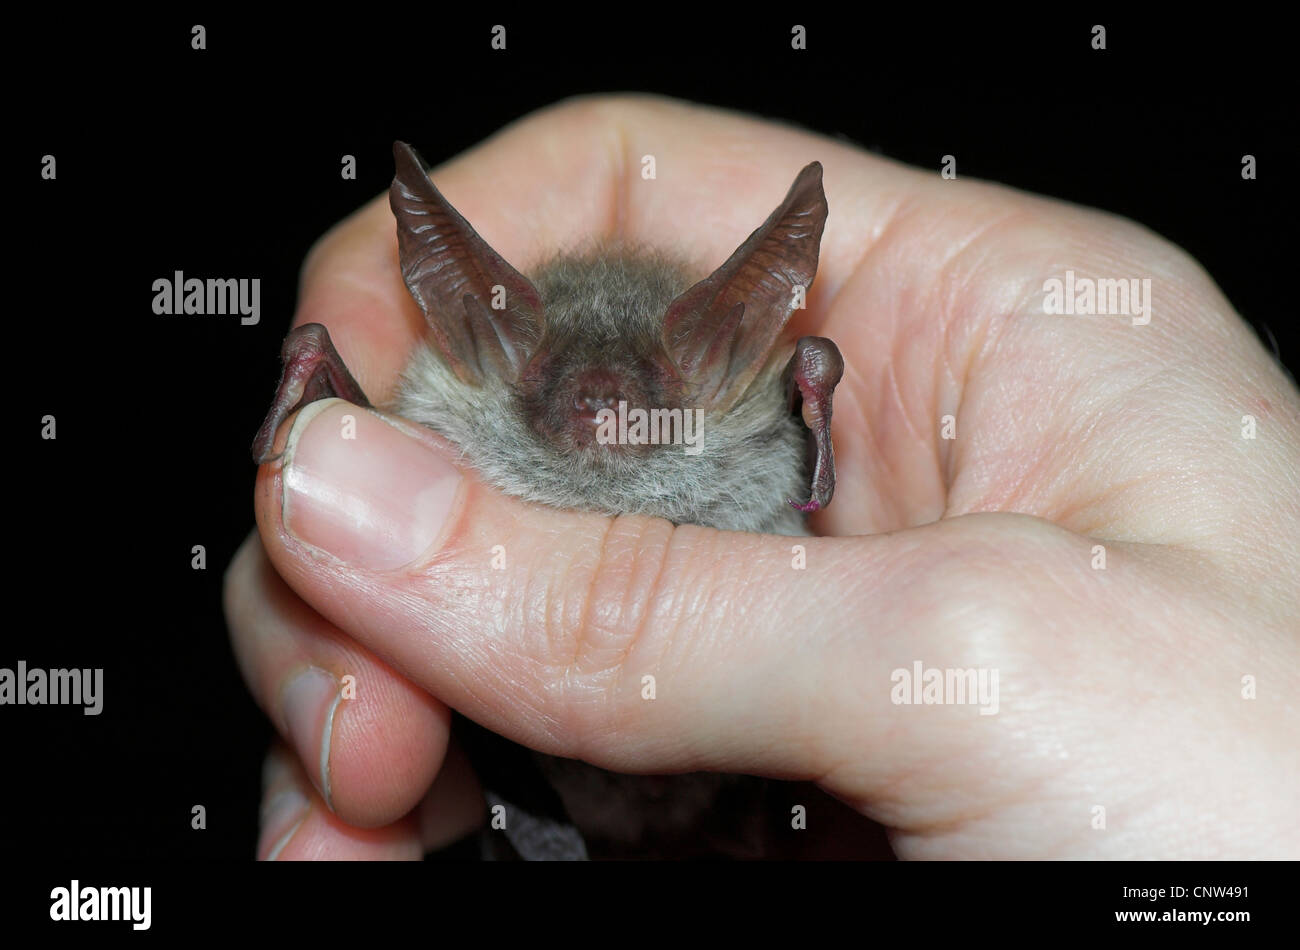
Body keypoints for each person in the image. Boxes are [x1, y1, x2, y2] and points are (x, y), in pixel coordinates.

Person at [224, 95, 1300, 860]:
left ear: (713, 356)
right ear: (492, 344)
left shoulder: (761, 408)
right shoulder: (455, 392)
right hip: (532, 770)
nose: (600, 404)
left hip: (735, 790)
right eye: (569, 380)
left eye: (632, 380)